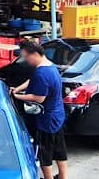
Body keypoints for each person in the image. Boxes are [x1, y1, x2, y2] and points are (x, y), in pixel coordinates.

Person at [11, 41, 67, 179]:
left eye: (26, 57)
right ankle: (63, 176)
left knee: (44, 152)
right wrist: (18, 88)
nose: (26, 60)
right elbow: (32, 81)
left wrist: (18, 96)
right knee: (60, 148)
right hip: (58, 115)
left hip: (46, 120)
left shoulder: (42, 74)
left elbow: (39, 98)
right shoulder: (50, 66)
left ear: (35, 54)